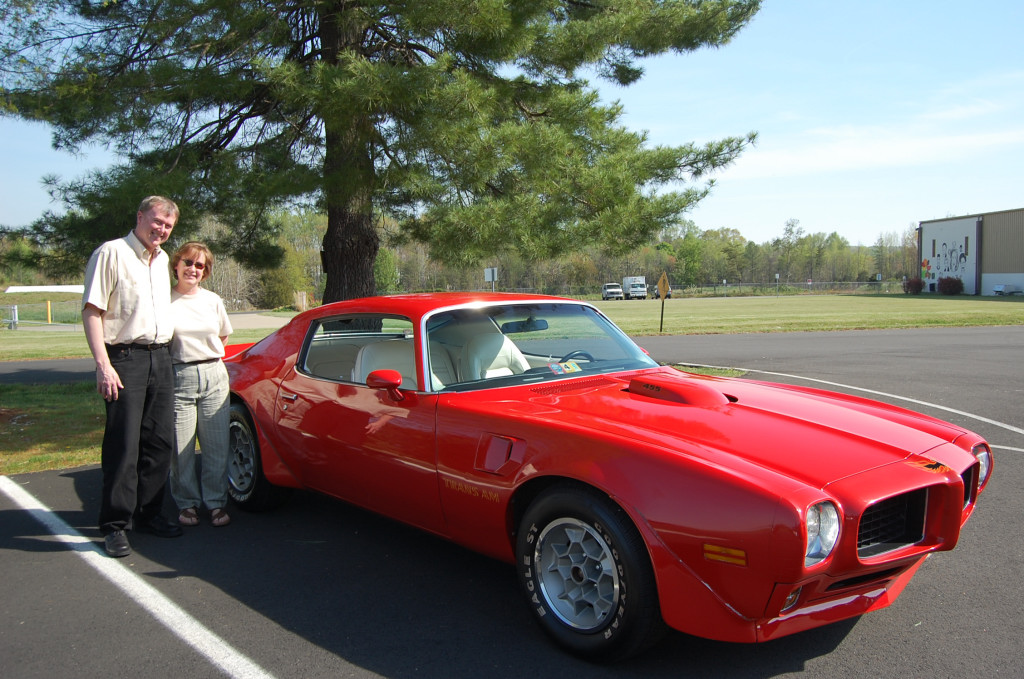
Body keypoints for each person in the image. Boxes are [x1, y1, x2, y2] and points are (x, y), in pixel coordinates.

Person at [82, 196, 184, 558]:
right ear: (140, 216)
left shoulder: (163, 260)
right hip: (125, 358)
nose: (161, 230)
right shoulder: (111, 253)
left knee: (159, 442)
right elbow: (92, 311)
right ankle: (115, 525)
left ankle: (149, 514)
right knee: (123, 445)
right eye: (156, 221)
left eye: (168, 226)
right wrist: (103, 364)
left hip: (161, 356)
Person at [167, 241, 234, 528]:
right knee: (181, 449)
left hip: (214, 375)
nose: (192, 269)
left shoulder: (213, 300)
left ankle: (216, 503)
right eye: (188, 262)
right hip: (179, 376)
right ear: (176, 265)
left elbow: (223, 336)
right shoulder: (163, 300)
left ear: (204, 271)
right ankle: (187, 503)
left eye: (199, 265)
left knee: (217, 446)